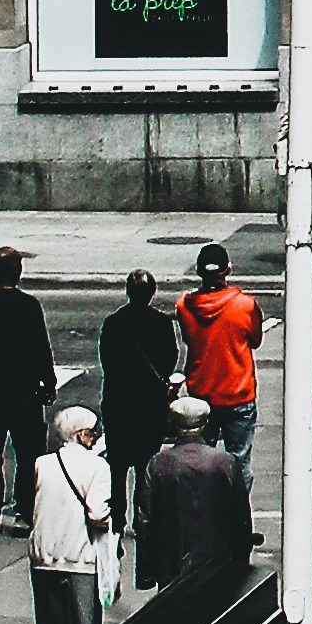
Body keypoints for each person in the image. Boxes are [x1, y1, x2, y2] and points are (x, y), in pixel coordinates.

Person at [28, 399, 114, 624]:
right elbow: (96, 513)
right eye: (91, 432)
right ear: (79, 434)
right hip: (81, 557)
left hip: (44, 555)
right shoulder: (98, 467)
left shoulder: (42, 463)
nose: (95, 436)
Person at [0, 241, 58, 508]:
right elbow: (41, 348)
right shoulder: (28, 306)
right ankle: (25, 504)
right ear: (17, 270)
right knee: (29, 454)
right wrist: (49, 382)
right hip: (24, 395)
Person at [139, 385, 252, 597]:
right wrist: (241, 563)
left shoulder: (159, 463)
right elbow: (241, 518)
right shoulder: (224, 462)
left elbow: (146, 520)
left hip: (170, 564)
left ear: (173, 424)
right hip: (217, 560)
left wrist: (146, 572)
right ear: (204, 424)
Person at [97, 268, 179, 547]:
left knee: (117, 470)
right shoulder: (162, 323)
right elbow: (170, 359)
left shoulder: (113, 323)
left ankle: (116, 523)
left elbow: (106, 360)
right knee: (145, 468)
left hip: (119, 404)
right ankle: (143, 522)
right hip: (149, 406)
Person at [176, 239, 262, 497]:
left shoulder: (185, 306)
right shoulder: (245, 305)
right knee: (239, 462)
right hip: (238, 393)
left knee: (201, 462)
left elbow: (189, 339)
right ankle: (238, 519)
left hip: (202, 391)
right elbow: (255, 340)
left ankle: (204, 516)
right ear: (229, 269)